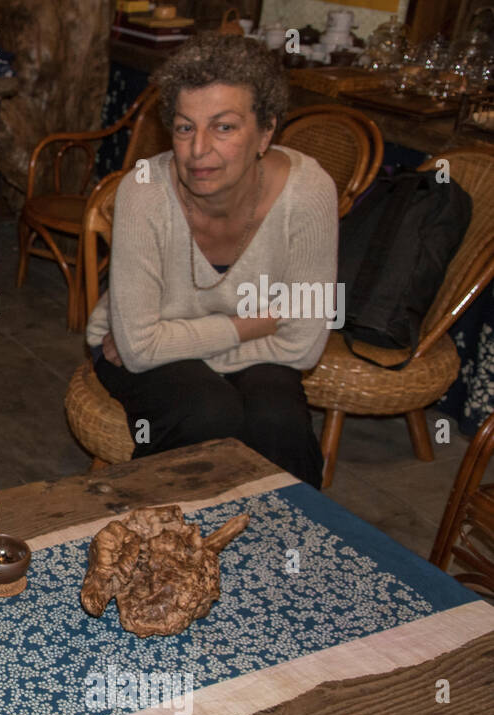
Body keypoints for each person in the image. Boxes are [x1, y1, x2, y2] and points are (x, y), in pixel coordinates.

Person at [85, 33, 337, 488]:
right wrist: (253, 324)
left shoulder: (309, 193)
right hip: (122, 349)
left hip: (179, 342)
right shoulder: (143, 192)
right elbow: (138, 349)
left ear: (265, 133)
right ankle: (163, 539)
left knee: (275, 418)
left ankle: (291, 548)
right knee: (208, 409)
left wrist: (172, 342)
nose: (199, 150)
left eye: (224, 127)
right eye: (185, 127)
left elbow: (303, 345)